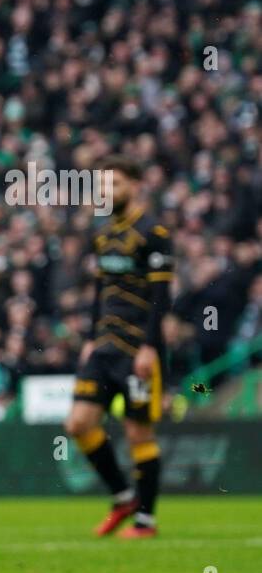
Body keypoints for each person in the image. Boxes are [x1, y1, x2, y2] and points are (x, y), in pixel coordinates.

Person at [64, 156, 174, 539]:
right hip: (104, 347)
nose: (108, 193)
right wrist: (91, 338)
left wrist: (150, 348)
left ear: (135, 186)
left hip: (136, 350)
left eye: (115, 185)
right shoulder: (103, 234)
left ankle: (146, 520)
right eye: (103, 187)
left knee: (138, 433)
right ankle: (123, 496)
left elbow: (162, 297)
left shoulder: (153, 232)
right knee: (78, 424)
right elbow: (100, 291)